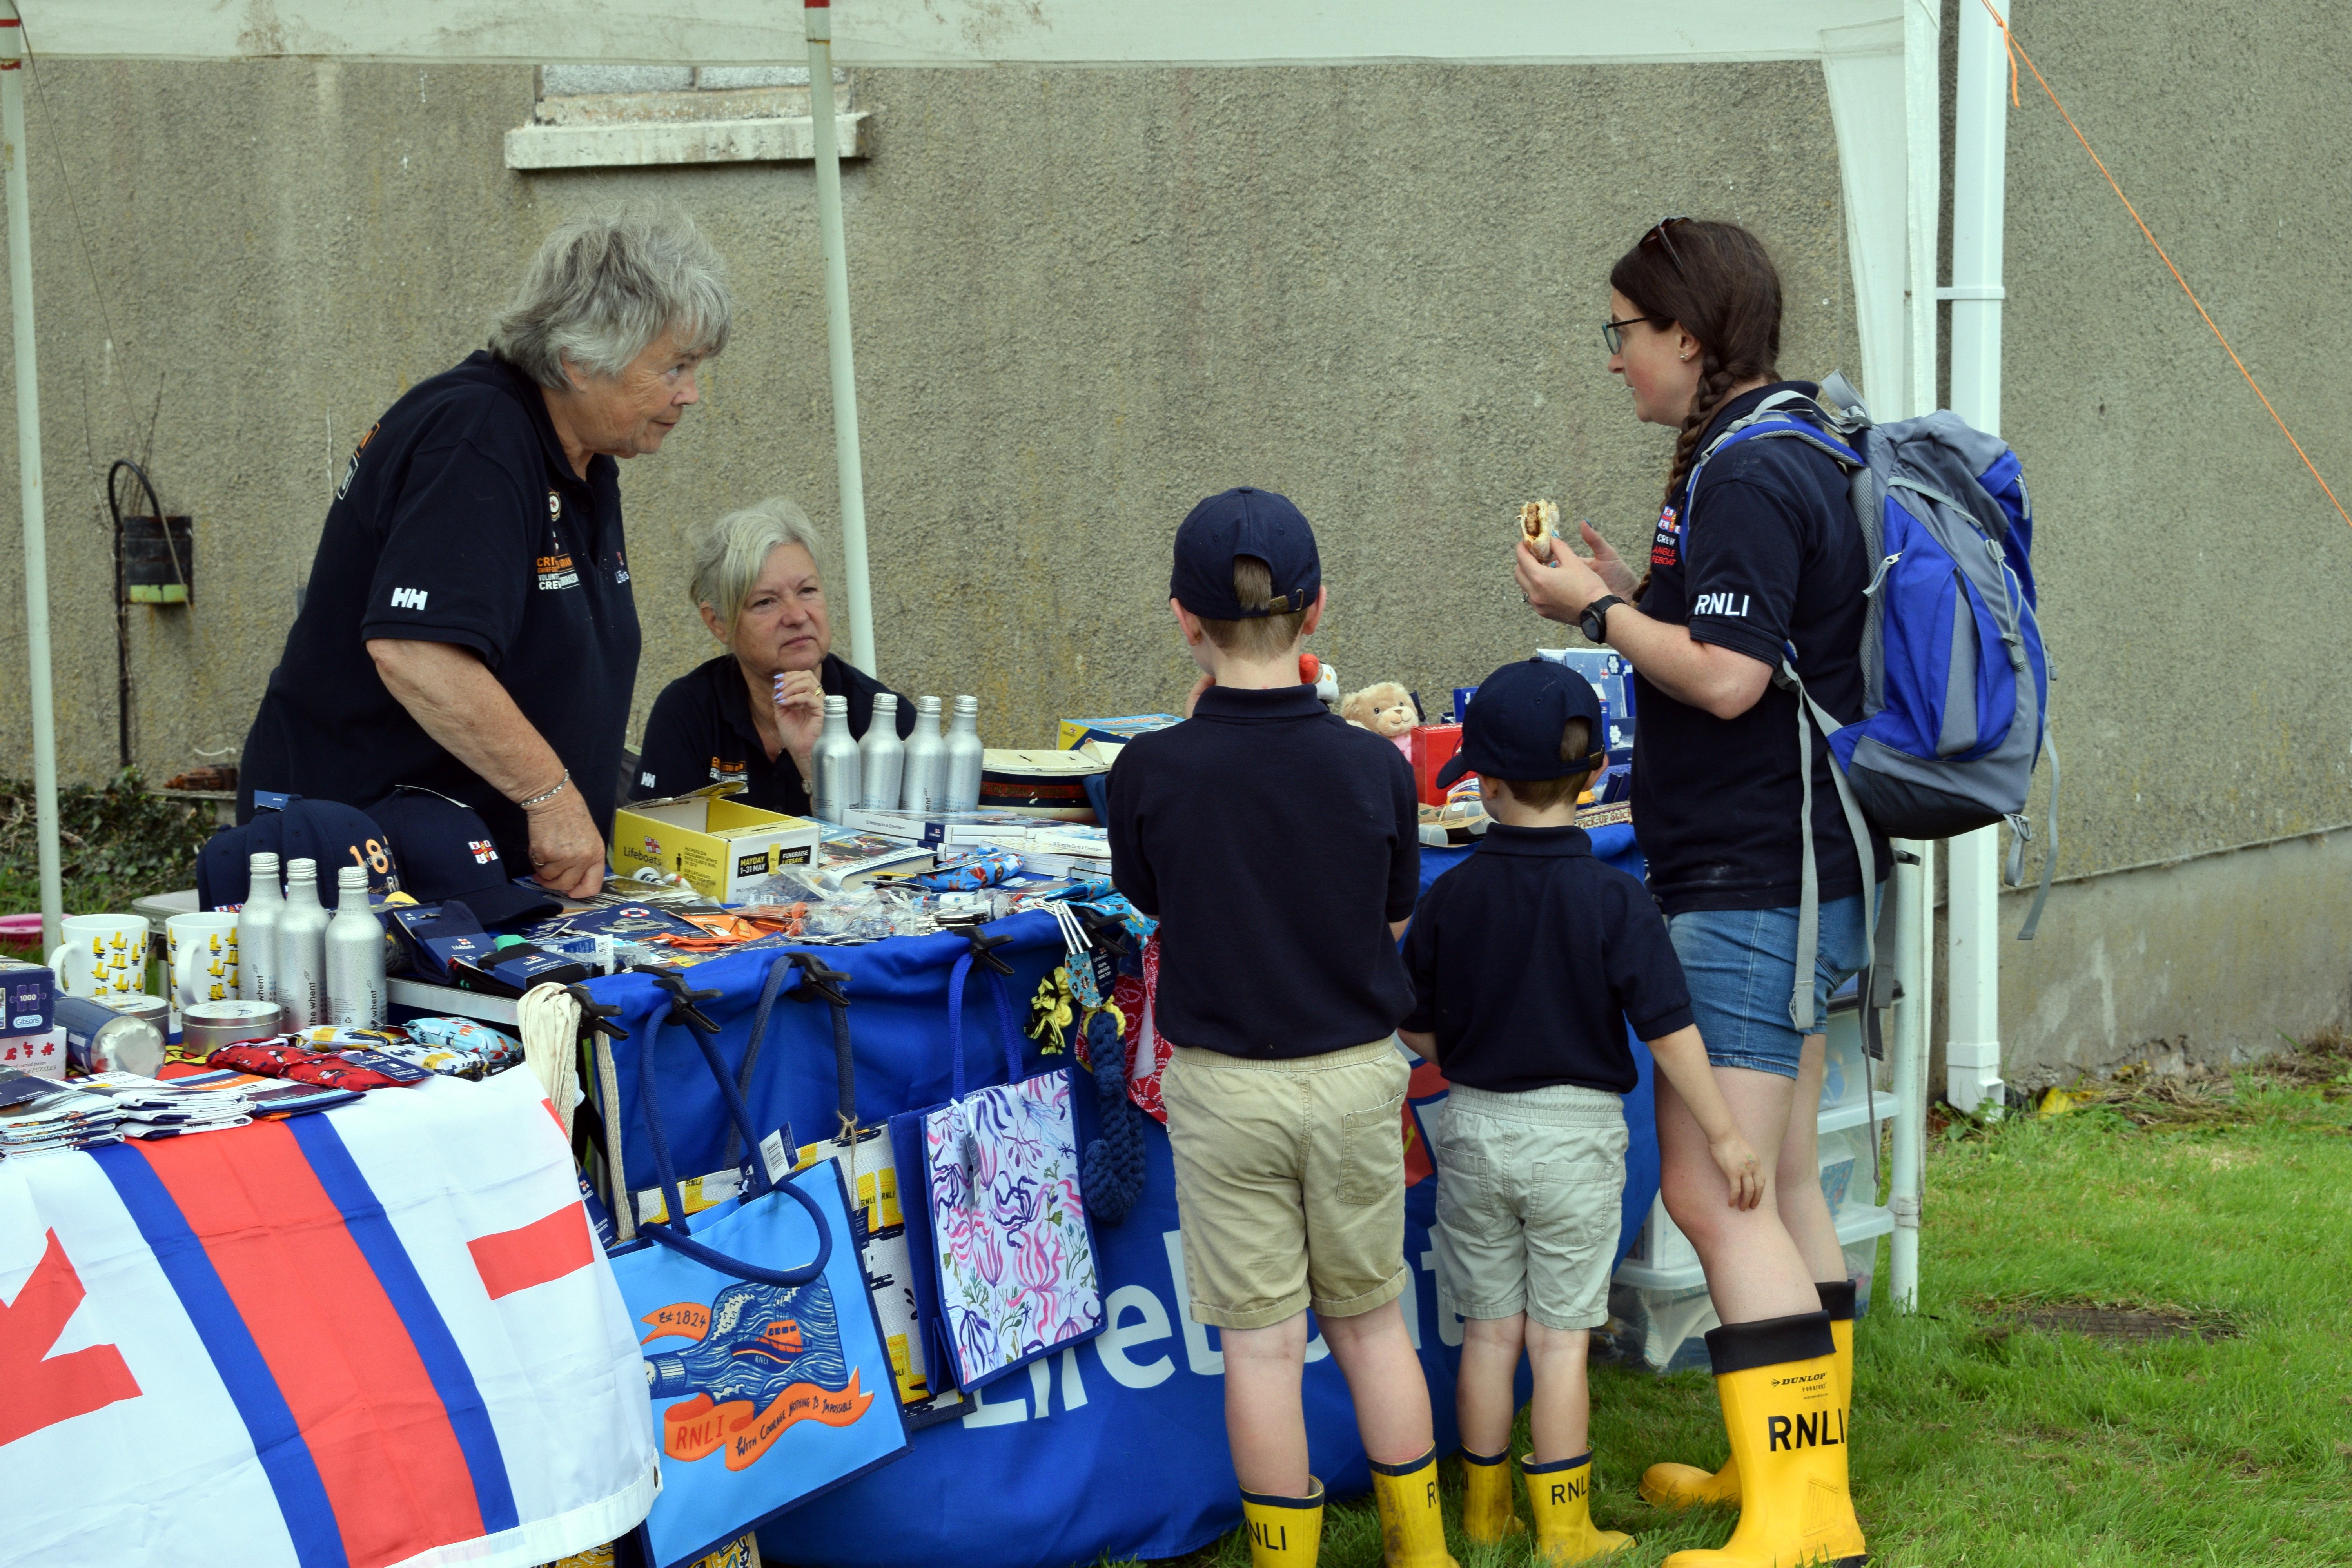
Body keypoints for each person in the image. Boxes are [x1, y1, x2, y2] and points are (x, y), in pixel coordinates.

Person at [1514, 217, 1880, 1568]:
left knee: (1714, 1190)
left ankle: (1800, 1522)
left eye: (1624, 331)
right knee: (1782, 1181)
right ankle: (1778, 1467)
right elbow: (1746, 645)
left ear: (1689, 334)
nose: (1614, 359)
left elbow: (1728, 682)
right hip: (1801, 870)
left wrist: (1591, 616)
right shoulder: (1791, 441)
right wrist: (1631, 589)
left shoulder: (1744, 473)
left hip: (1748, 881)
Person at [1105, 488, 1449, 1568]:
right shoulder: (1370, 765)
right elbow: (1395, 913)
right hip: (1355, 1075)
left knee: (1259, 1350)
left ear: (1182, 619)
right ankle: (1423, 1552)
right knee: (1372, 1322)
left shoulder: (1146, 772)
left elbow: (1153, 904)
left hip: (1224, 1088)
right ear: (1319, 612)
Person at [238, 211, 730, 898]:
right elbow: (417, 651)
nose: (691, 393)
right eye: (675, 367)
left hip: (484, 874)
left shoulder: (581, 453)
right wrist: (552, 798)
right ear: (578, 362)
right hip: (363, 873)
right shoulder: (477, 437)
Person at [1397, 658, 1764, 1565]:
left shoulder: (1452, 895)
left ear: (1477, 781)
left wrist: (1465, 1053)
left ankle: (1483, 1514)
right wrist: (1724, 1130)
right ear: (1596, 775)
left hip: (1474, 1125)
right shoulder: (1614, 895)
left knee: (1489, 1332)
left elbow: (1413, 1028)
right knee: (1560, 1344)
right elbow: (1670, 1029)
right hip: (1576, 1137)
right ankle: (1564, 1530)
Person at [630, 496, 914, 814]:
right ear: (718, 623)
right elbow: (652, 843)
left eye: (807, 591)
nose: (797, 616)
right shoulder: (686, 710)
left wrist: (814, 764)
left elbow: (896, 853)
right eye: (766, 602)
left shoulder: (885, 721)